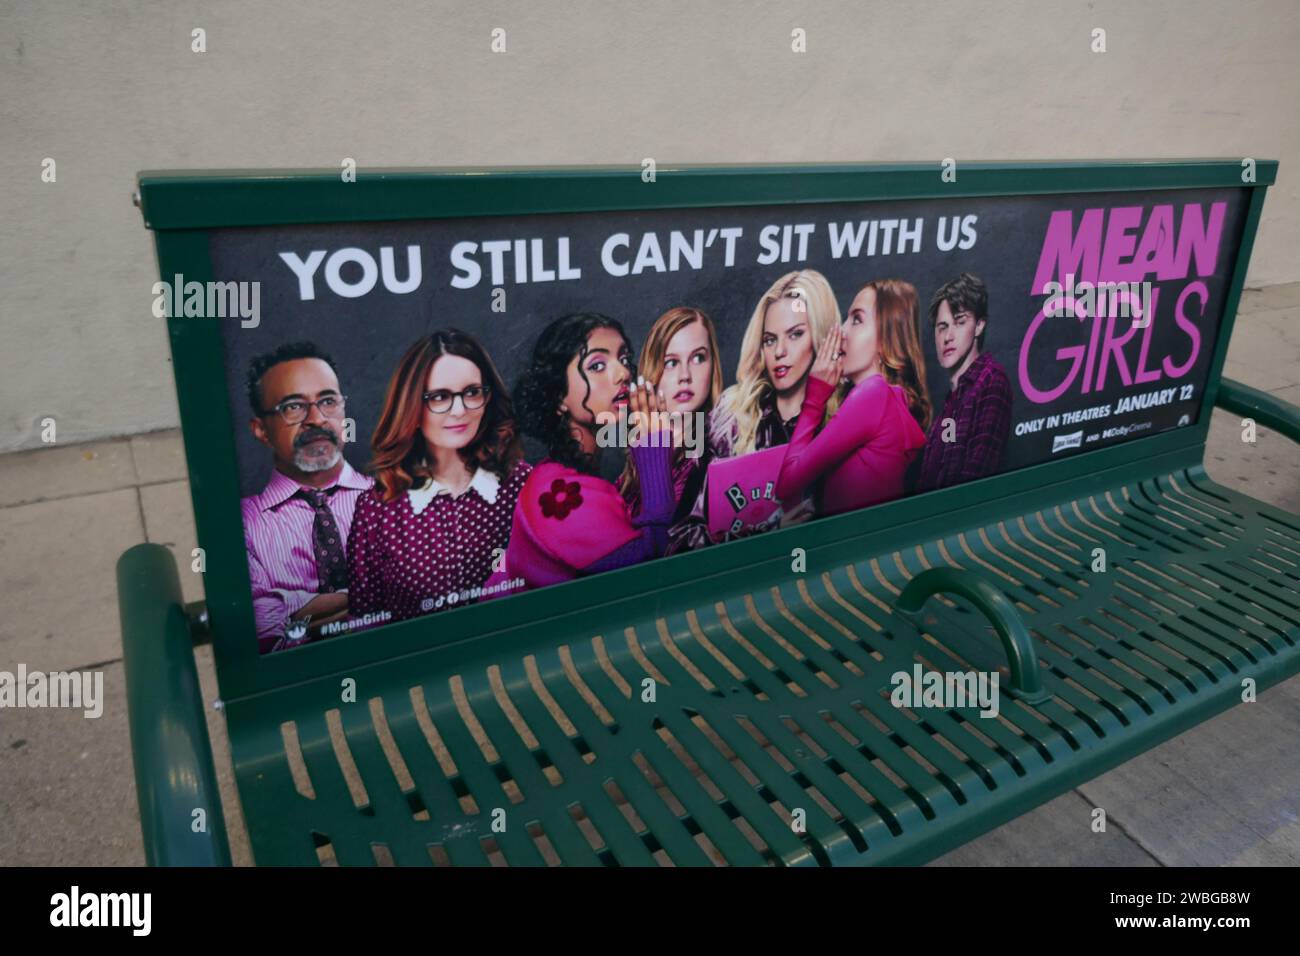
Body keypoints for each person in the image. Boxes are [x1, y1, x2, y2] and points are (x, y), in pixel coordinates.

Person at [346, 330, 531, 625]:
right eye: (440, 397)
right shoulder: (376, 508)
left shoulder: (523, 484)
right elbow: (365, 621)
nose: (459, 410)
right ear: (411, 406)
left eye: (472, 392)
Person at [493, 313, 676, 590]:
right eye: (598, 365)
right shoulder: (557, 493)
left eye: (624, 359)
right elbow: (655, 574)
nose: (623, 373)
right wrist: (653, 449)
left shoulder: (565, 475)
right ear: (558, 396)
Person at [667, 269, 841, 553]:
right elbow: (681, 537)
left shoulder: (844, 418)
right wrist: (766, 533)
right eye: (770, 339)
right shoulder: (731, 416)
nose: (779, 351)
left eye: (795, 334)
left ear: (823, 337)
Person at [240, 341, 373, 653]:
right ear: (261, 430)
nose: (316, 419)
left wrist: (293, 609)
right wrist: (372, 596)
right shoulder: (242, 523)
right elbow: (256, 626)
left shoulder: (394, 499)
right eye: (294, 407)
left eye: (328, 401)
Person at [775, 280, 929, 515]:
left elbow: (786, 486)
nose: (843, 331)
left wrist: (815, 398)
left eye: (856, 320)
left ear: (886, 338)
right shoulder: (893, 399)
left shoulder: (873, 395)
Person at [618, 307, 722, 521]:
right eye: (671, 362)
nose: (685, 376)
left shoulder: (723, 451)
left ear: (713, 365)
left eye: (698, 358)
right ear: (652, 370)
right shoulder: (633, 463)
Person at [916, 273, 1013, 491]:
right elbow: (940, 464)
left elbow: (976, 480)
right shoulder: (951, 403)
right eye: (942, 327)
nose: (948, 336)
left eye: (959, 322)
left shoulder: (991, 381)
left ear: (979, 326)